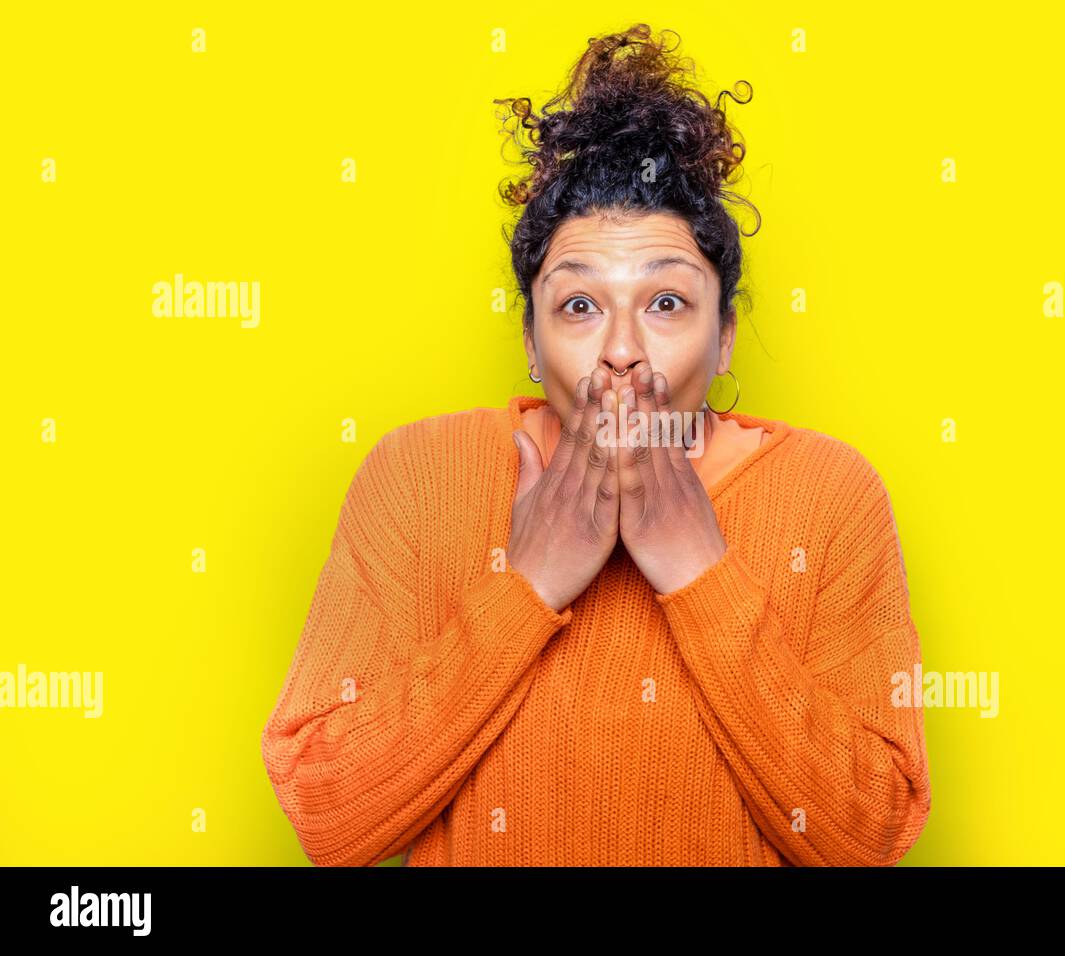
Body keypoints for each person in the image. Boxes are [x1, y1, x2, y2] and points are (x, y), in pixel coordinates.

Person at [261, 22, 931, 866]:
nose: (621, 348)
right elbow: (328, 817)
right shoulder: (416, 476)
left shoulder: (832, 494)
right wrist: (528, 582)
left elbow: (867, 838)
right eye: (579, 306)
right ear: (533, 343)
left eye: (666, 304)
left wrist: (699, 573)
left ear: (724, 339)